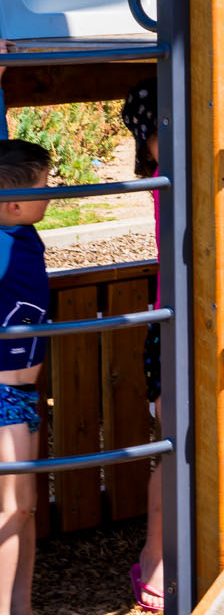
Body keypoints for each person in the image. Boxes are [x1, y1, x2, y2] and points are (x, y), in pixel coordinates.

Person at [0, 141, 52, 614]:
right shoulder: (1, 244)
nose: (52, 193)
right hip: (1, 394)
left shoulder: (23, 234)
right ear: (13, 204)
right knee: (10, 509)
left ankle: (23, 606)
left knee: (26, 507)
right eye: (44, 186)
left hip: (22, 393)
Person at [119, 83, 166, 612]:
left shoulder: (203, 161)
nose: (168, 138)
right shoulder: (162, 176)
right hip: (167, 324)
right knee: (171, 446)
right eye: (157, 131)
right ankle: (153, 557)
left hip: (204, 316)